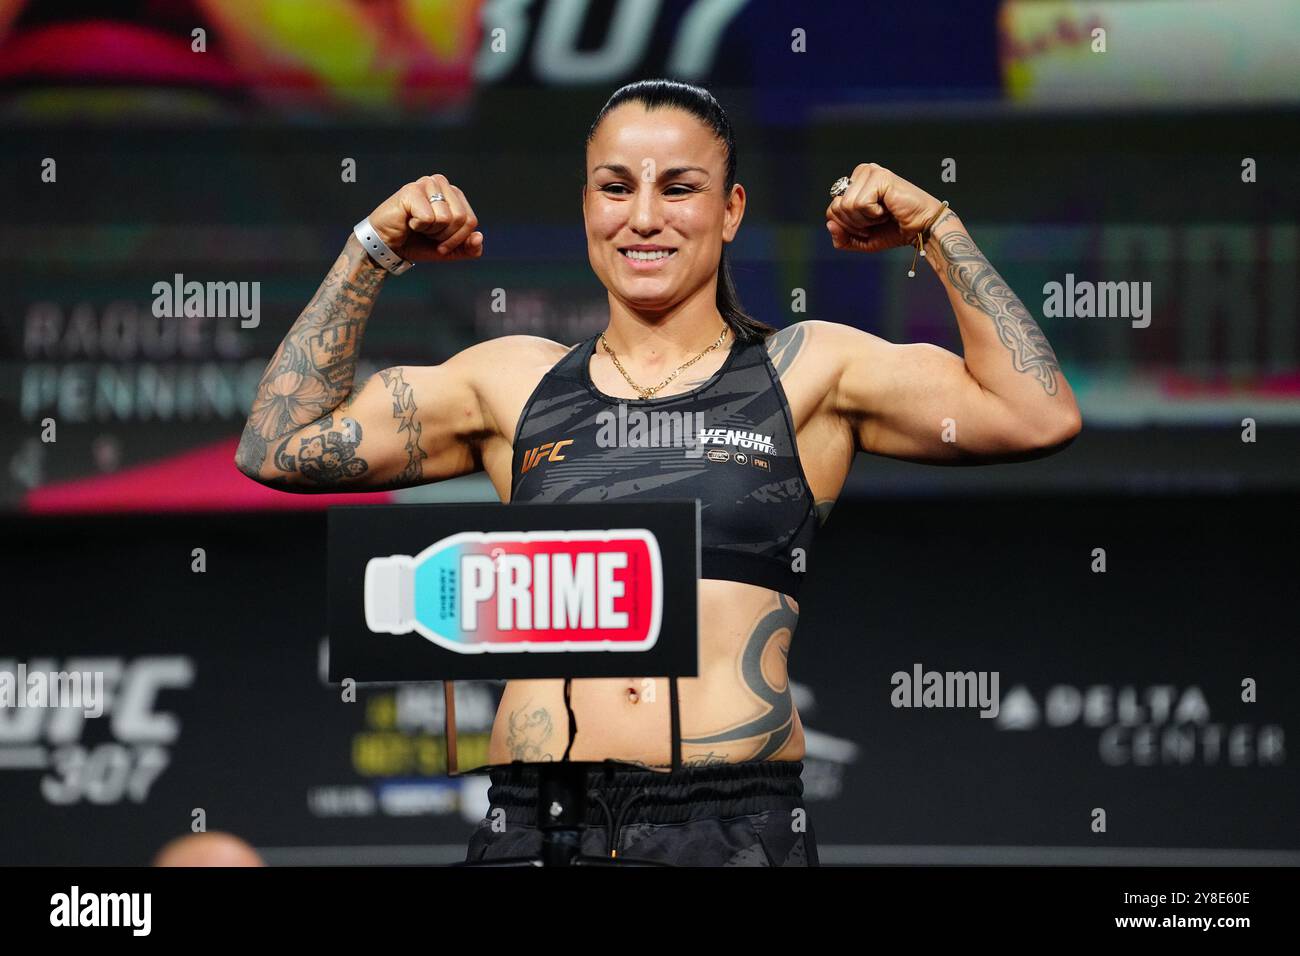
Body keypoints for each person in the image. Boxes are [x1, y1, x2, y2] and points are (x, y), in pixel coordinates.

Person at [235, 79, 1081, 866]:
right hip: (538, 820)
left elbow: (1034, 414)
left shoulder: (809, 371)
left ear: (730, 209)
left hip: (731, 825)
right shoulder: (508, 382)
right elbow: (277, 445)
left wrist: (935, 225)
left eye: (678, 188)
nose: (644, 217)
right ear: (586, 205)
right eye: (615, 188)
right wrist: (371, 248)